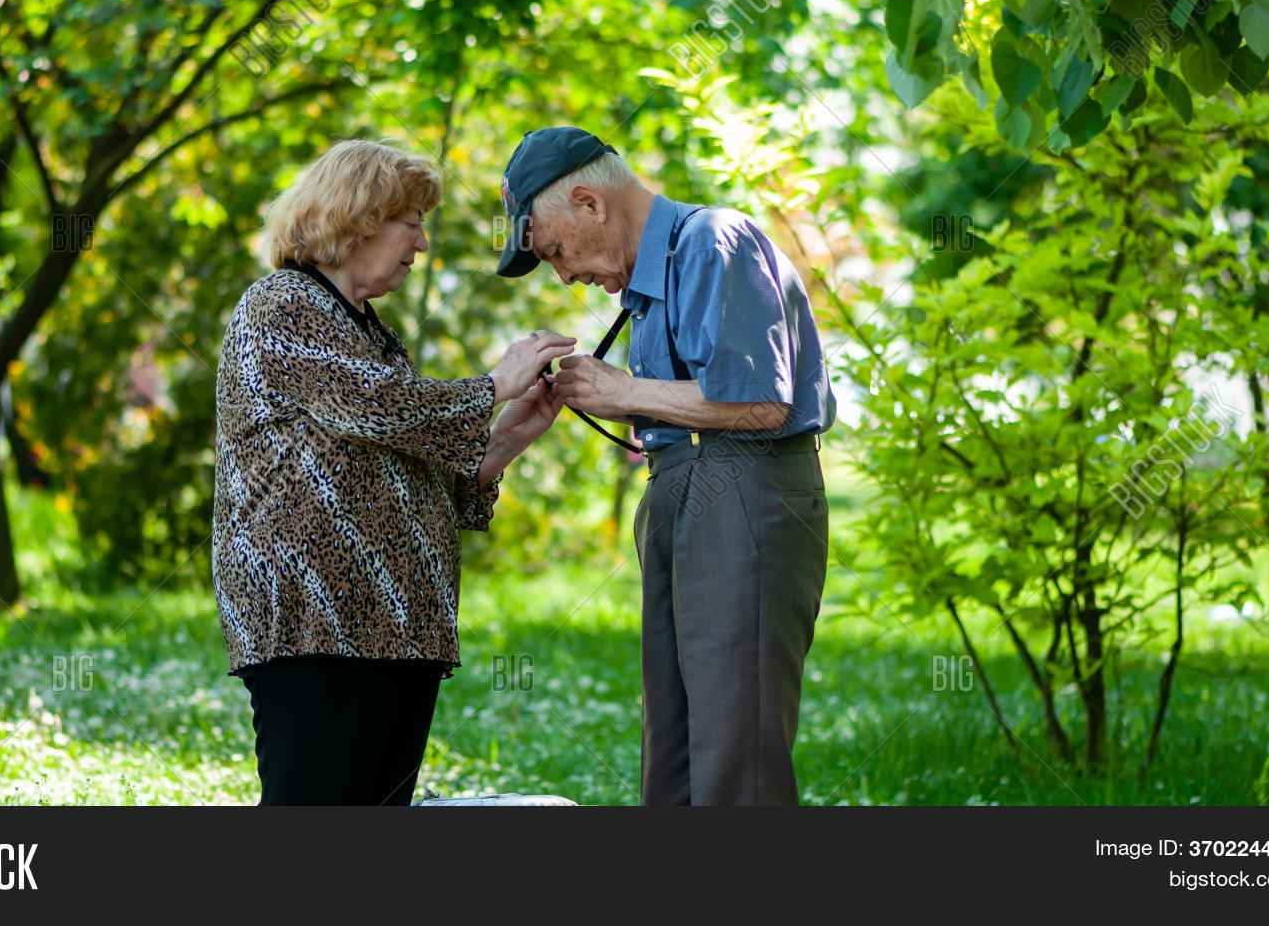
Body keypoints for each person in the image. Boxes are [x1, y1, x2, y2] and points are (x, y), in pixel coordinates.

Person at [213, 139, 574, 805]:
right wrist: (491, 384)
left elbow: (395, 461)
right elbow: (370, 406)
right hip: (317, 620)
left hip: (396, 625)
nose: (421, 243)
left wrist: (504, 440)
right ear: (357, 217)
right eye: (411, 223)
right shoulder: (282, 304)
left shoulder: (371, 330)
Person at [495, 126, 836, 805]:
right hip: (685, 492)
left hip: (747, 491)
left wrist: (622, 390)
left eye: (556, 251)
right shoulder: (647, 289)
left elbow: (763, 402)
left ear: (590, 203)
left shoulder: (712, 241)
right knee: (675, 750)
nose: (564, 276)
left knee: (733, 751)